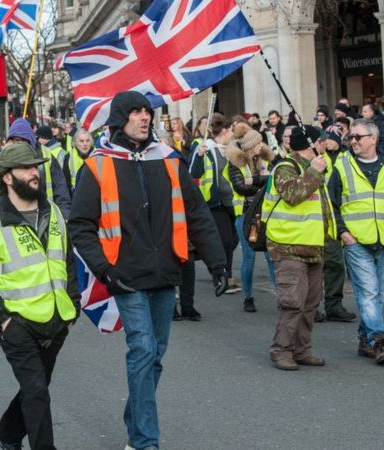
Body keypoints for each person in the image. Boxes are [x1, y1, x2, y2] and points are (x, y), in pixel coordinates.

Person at [69, 91, 228, 450]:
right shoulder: (97, 165)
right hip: (125, 277)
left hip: (166, 273)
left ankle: (135, 421)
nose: (145, 117)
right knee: (142, 350)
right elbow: (80, 226)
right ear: (120, 118)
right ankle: (145, 441)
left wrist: (217, 262)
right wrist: (105, 271)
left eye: (147, 112)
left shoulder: (169, 159)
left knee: (154, 355)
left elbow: (197, 212)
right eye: (136, 112)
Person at [0, 142, 80, 450]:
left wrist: (73, 306)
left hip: (57, 320)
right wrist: (3, 319)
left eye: (36, 167)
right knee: (36, 389)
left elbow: (67, 261)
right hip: (17, 323)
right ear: (7, 177)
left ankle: (8, 434)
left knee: (37, 387)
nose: (34, 173)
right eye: (26, 168)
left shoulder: (54, 212)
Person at [328, 119, 384, 365]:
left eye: (358, 137)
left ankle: (364, 339)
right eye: (351, 137)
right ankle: (379, 340)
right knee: (368, 293)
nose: (353, 141)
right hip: (357, 242)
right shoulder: (341, 167)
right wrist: (343, 232)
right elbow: (330, 204)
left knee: (378, 296)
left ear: (373, 139)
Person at [263, 125, 335, 370]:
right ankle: (281, 350)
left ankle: (302, 350)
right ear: (311, 143)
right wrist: (314, 171)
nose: (325, 144)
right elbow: (292, 195)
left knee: (311, 303)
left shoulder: (315, 166)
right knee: (292, 302)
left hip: (313, 244)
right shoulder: (286, 167)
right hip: (288, 245)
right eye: (322, 140)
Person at [226, 121, 277, 312]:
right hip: (245, 215)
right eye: (258, 143)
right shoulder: (235, 163)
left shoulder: (265, 160)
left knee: (271, 257)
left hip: (264, 214)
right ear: (250, 146)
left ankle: (282, 296)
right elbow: (240, 187)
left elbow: (272, 182)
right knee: (249, 258)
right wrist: (262, 181)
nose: (261, 146)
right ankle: (248, 297)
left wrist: (255, 180)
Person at [189, 113, 241, 295]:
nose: (233, 134)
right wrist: (199, 155)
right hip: (213, 202)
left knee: (233, 240)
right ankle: (223, 277)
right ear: (224, 131)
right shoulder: (203, 146)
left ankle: (221, 269)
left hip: (230, 201)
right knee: (225, 240)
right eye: (231, 131)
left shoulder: (227, 148)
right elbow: (193, 172)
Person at [315, 126, 357, 323]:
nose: (326, 142)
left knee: (335, 263)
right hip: (315, 219)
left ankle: (334, 305)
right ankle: (311, 306)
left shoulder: (345, 158)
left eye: (330, 139)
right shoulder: (314, 158)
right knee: (314, 266)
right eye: (324, 139)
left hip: (333, 218)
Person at [5, 119, 72, 218]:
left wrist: (64, 215)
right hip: (15, 216)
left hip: (45, 215)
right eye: (17, 140)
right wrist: (1, 153)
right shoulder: (6, 155)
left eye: (24, 140)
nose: (20, 144)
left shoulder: (46, 154)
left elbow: (60, 188)